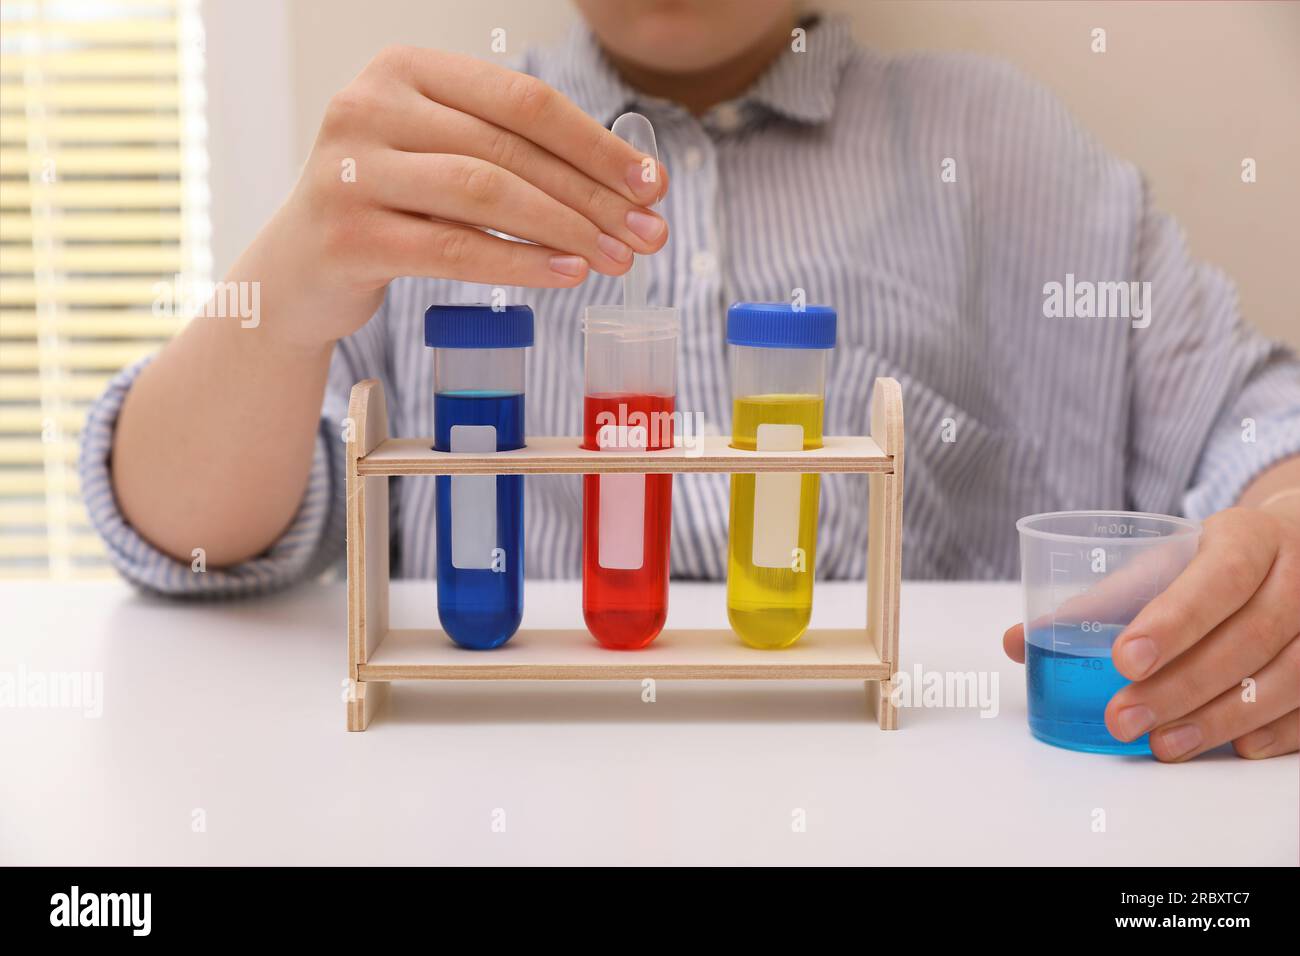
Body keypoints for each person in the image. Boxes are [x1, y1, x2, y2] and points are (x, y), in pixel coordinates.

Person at [81, 1, 1299, 761]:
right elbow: (183, 534)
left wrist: (1282, 532)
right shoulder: (426, 172)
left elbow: (1259, 423)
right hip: (505, 800)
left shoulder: (1004, 149)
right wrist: (289, 279)